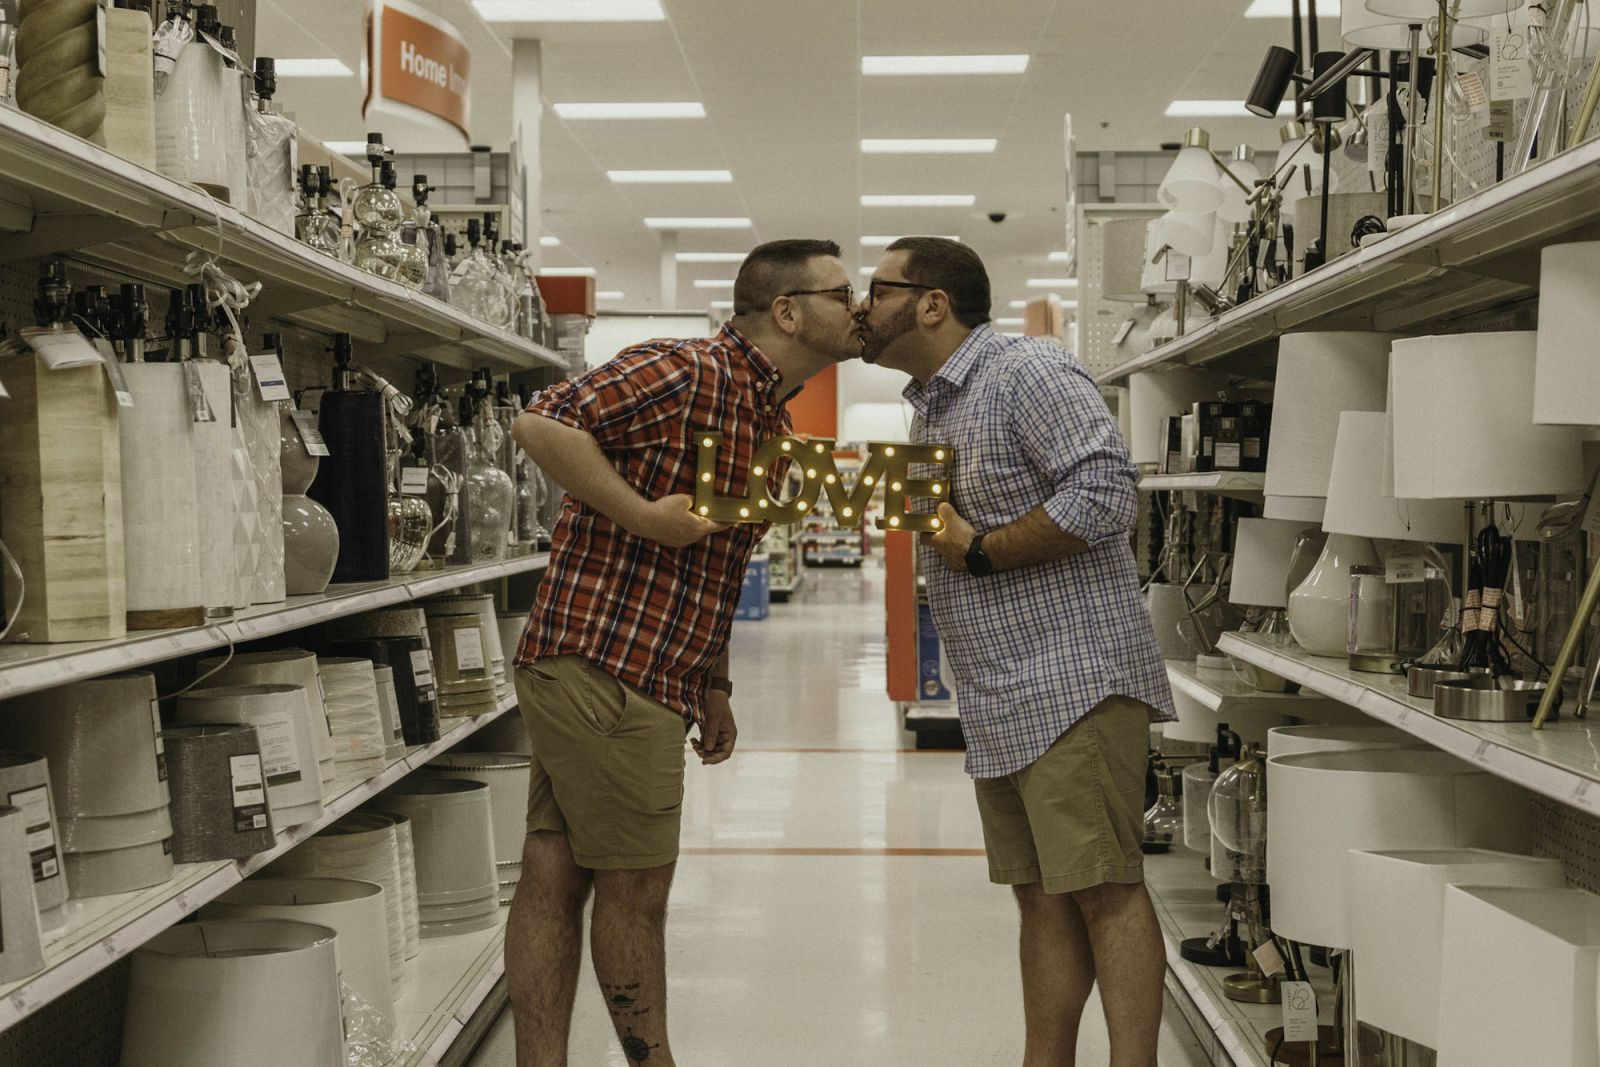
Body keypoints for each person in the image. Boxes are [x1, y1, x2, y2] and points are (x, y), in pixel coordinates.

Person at [505, 238, 860, 1067]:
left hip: (633, 667)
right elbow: (540, 420)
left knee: (554, 875)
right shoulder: (688, 369)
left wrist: (714, 679)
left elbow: (716, 562)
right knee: (636, 890)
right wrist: (642, 515)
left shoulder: (767, 413)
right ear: (787, 310)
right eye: (843, 293)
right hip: (607, 661)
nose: (859, 307)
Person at [856, 237, 1179, 1067]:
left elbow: (1106, 491)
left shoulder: (1025, 370)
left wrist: (981, 548)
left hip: (1072, 678)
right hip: (1000, 694)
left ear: (932, 302)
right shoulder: (928, 403)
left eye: (877, 288)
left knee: (1106, 890)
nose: (864, 305)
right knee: (1040, 896)